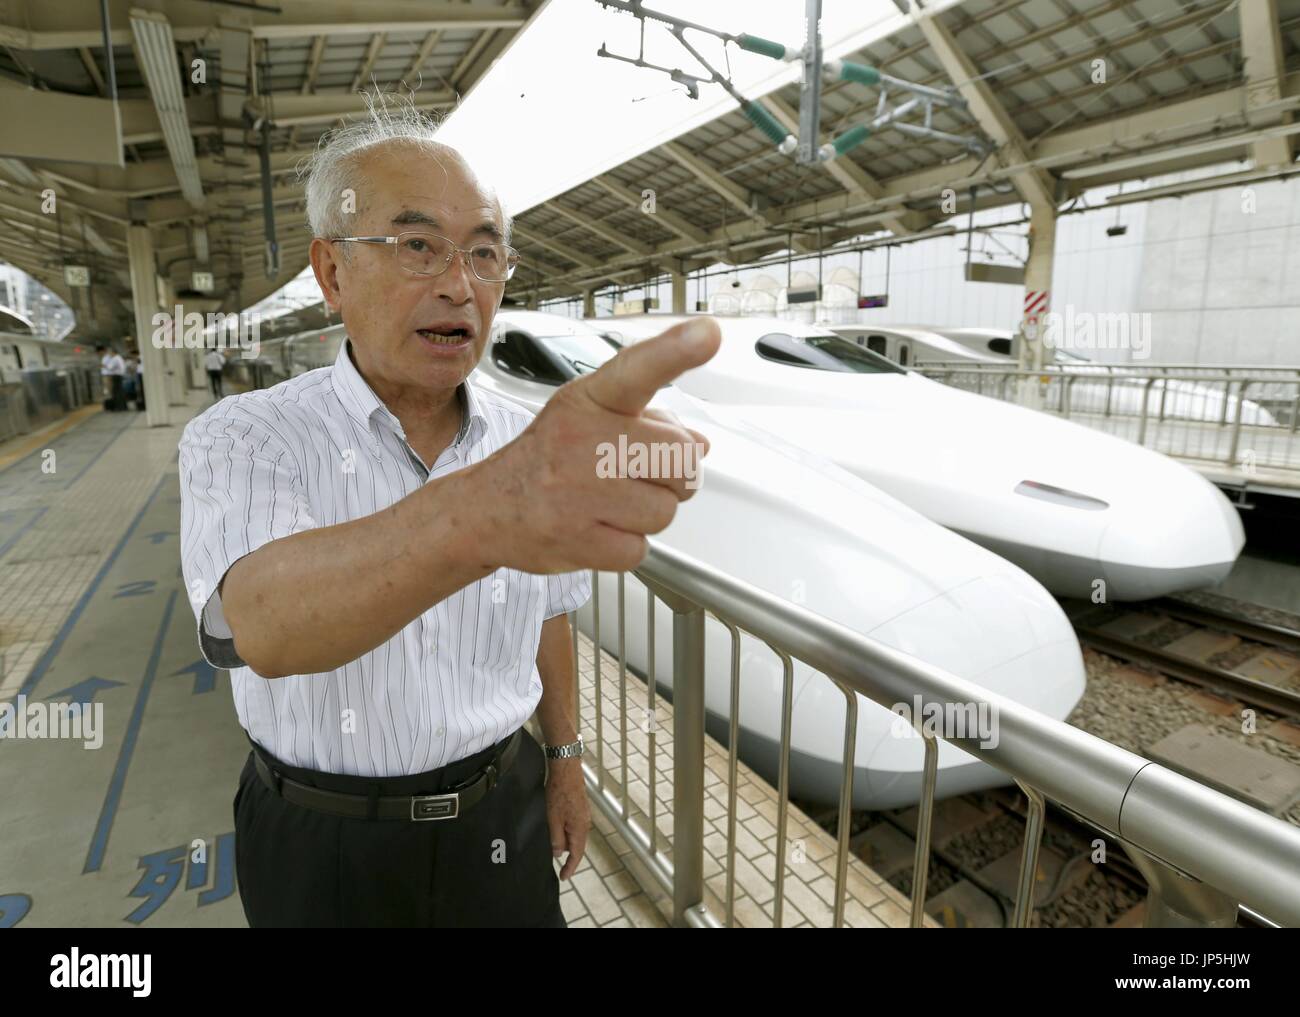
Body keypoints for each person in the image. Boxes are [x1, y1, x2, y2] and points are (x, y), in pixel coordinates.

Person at [177, 97, 720, 929]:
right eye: (418, 244)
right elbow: (259, 626)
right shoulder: (245, 436)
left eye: (484, 253)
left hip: (500, 814)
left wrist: (565, 758)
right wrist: (480, 512)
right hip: (323, 844)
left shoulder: (524, 441)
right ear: (331, 273)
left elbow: (550, 615)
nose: (458, 284)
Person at [97, 344, 126, 411]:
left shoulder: (114, 358)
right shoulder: (117, 358)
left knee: (115, 391)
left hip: (114, 376)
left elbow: (110, 367)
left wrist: (103, 366)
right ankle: (117, 406)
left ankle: (116, 406)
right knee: (116, 391)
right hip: (116, 376)